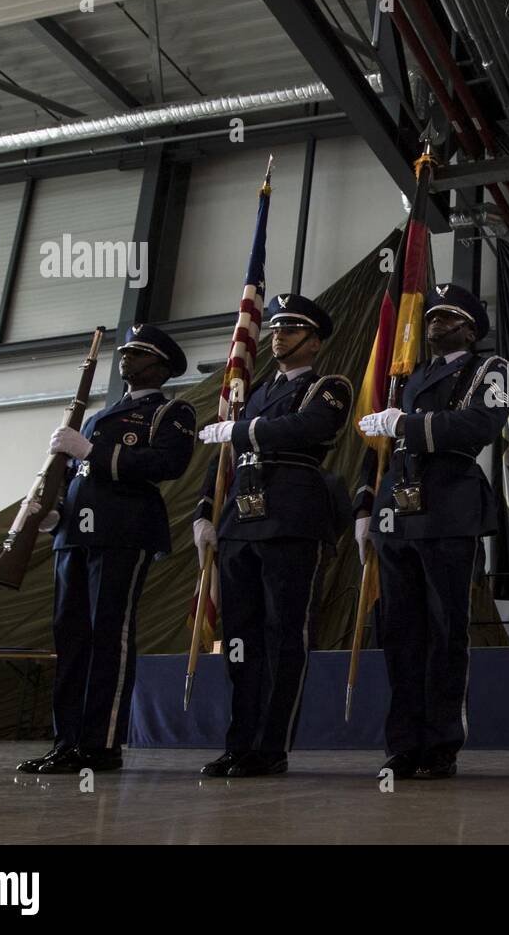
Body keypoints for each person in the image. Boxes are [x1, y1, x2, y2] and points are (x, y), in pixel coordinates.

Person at [17, 325, 196, 774]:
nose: (126, 358)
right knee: (71, 637)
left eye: (136, 353)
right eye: (126, 351)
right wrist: (54, 512)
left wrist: (91, 451)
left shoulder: (172, 411)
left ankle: (101, 743)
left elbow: (166, 464)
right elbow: (80, 475)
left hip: (123, 531)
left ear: (159, 366)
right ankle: (68, 740)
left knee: (107, 636)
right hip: (74, 535)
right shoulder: (101, 415)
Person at [355, 284, 509, 781]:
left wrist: (410, 424)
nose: (435, 324)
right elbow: (378, 445)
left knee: (446, 631)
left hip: (447, 505)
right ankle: (404, 743)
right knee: (400, 633)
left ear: (470, 327)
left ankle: (441, 743)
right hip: (395, 512)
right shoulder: (409, 375)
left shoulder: (493, 371)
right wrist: (364, 506)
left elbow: (479, 426)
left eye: (448, 317)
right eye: (433, 317)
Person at [194, 294, 352, 779]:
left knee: (284, 633)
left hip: (290, 516)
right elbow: (225, 459)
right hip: (240, 520)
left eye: (291, 329)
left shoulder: (329, 386)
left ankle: (271, 745)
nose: (278, 336)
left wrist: (242, 430)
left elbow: (308, 428)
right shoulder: (255, 391)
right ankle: (239, 741)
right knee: (241, 637)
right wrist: (205, 512)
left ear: (314, 340)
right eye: (276, 327)